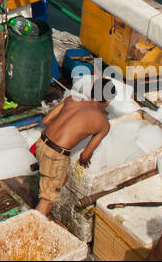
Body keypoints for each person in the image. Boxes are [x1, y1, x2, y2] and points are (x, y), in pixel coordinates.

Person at [33, 89, 110, 218]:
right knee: (48, 199)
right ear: (108, 101)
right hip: (56, 154)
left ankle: (45, 212)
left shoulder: (72, 99)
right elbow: (85, 155)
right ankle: (36, 222)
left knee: (62, 177)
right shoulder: (103, 124)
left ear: (92, 91)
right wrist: (84, 161)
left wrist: (60, 133)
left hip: (41, 143)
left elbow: (46, 121)